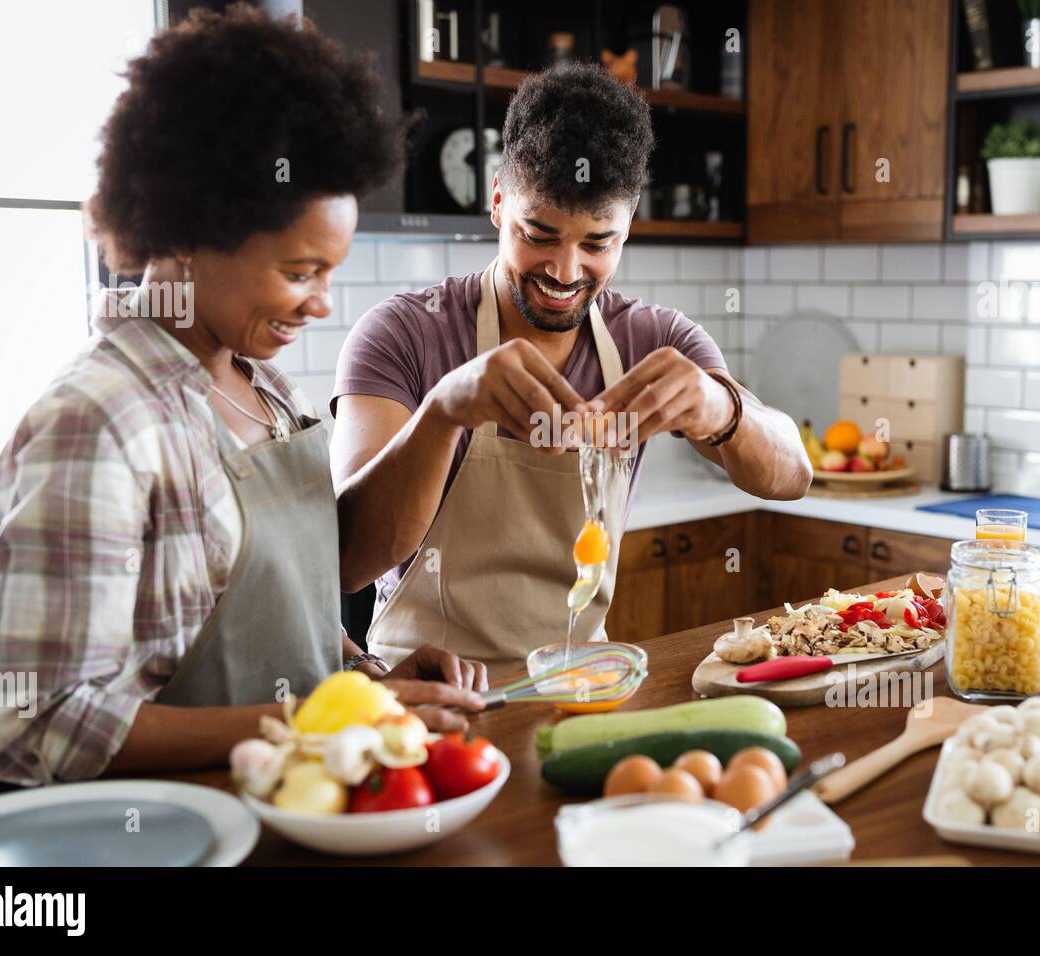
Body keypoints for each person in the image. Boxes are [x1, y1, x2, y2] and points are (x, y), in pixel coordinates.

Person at [0, 7, 485, 787]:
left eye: (330, 272)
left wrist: (368, 683)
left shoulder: (272, 393)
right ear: (188, 232)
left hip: (305, 816)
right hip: (183, 833)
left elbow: (298, 623)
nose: (321, 304)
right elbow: (33, 724)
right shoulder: (97, 423)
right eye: (299, 271)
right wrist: (318, 721)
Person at [331, 63, 811, 675]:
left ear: (629, 223)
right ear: (499, 198)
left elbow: (793, 475)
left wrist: (723, 410)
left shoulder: (653, 339)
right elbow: (347, 559)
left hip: (579, 688)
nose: (564, 270)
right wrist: (445, 411)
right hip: (424, 698)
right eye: (540, 234)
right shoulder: (402, 333)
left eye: (596, 243)